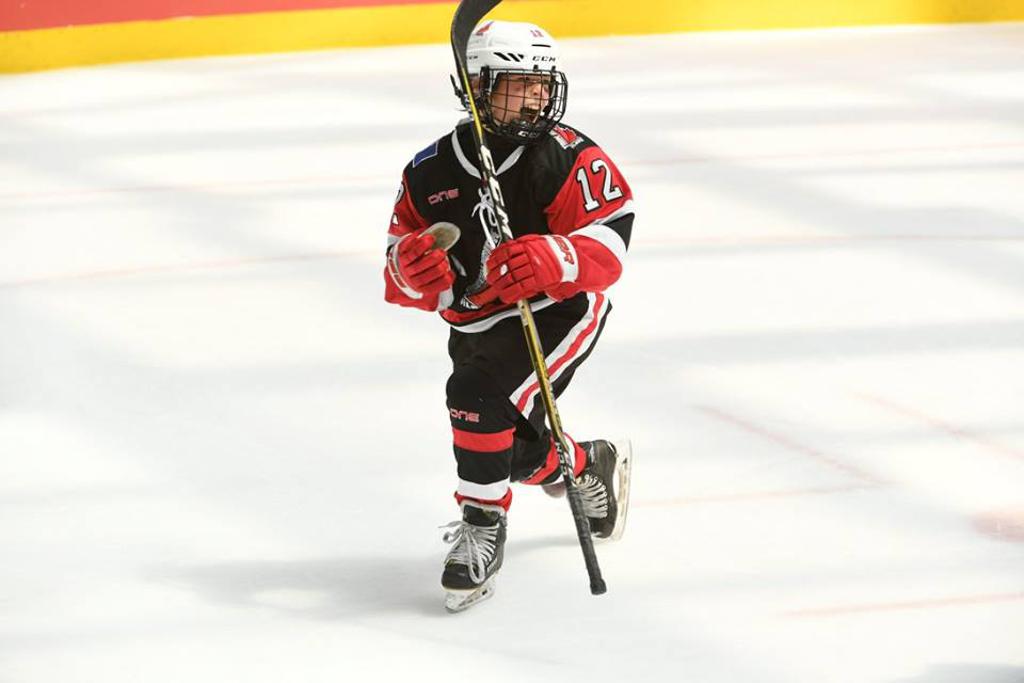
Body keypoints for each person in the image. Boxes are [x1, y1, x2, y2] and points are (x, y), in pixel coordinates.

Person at [382, 19, 634, 610]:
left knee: (475, 396)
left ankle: (482, 526)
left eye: (542, 84)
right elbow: (400, 267)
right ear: (476, 87)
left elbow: (612, 238)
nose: (536, 98)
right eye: (519, 84)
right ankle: (584, 463)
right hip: (477, 321)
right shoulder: (429, 171)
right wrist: (413, 274)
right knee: (505, 444)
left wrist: (557, 256)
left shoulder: (566, 155)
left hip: (559, 308)